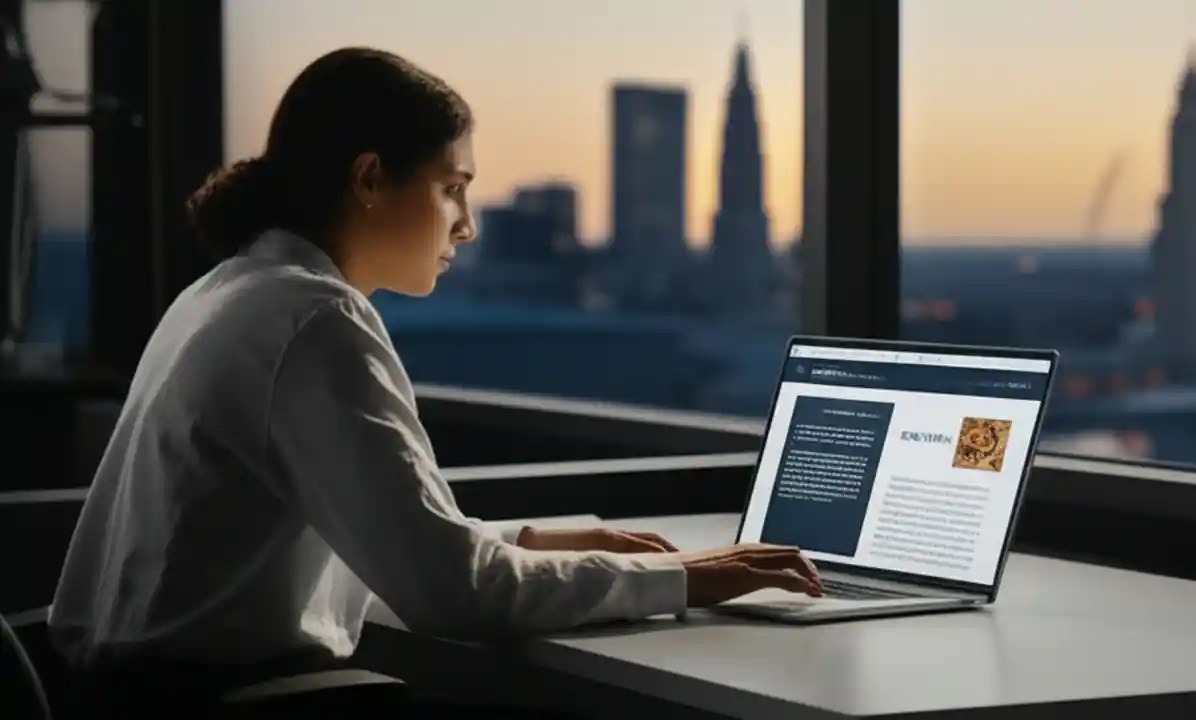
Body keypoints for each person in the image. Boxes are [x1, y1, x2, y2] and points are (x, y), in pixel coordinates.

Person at [47, 47, 822, 716]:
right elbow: (450, 595)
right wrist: (678, 579)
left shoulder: (230, 291)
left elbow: (389, 544)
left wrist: (533, 542)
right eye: (453, 186)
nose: (467, 224)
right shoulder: (316, 322)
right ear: (371, 179)